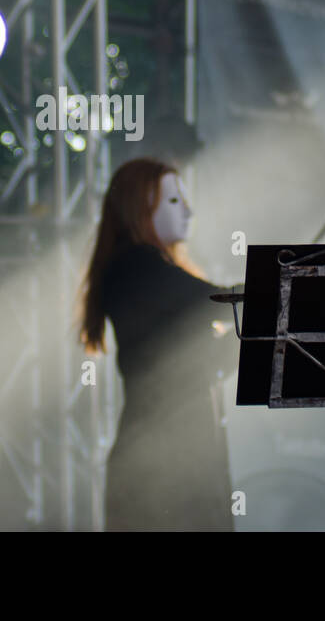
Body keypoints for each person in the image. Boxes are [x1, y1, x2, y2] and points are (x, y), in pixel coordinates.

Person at [80, 158, 237, 531]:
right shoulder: (136, 264)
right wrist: (280, 290)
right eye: (172, 200)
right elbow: (214, 303)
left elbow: (210, 359)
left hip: (177, 460)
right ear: (139, 207)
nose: (187, 210)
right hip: (163, 467)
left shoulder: (138, 268)